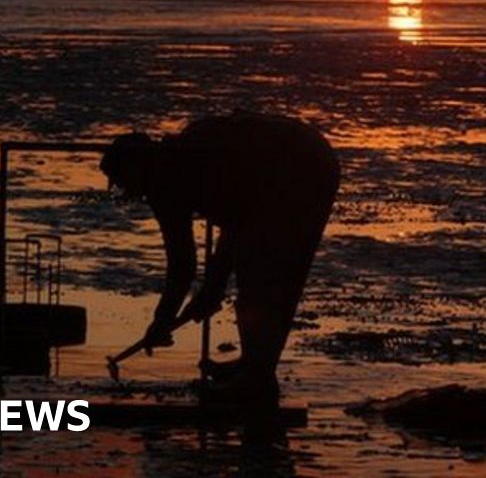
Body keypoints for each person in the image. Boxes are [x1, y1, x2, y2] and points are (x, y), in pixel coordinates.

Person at [100, 113, 339, 402]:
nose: (129, 192)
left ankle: (257, 378)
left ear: (137, 167)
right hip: (292, 165)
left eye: (125, 182)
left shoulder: (167, 178)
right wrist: (212, 288)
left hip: (301, 168)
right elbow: (235, 224)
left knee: (264, 280)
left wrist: (163, 320)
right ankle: (255, 366)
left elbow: (183, 265)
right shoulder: (179, 161)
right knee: (258, 271)